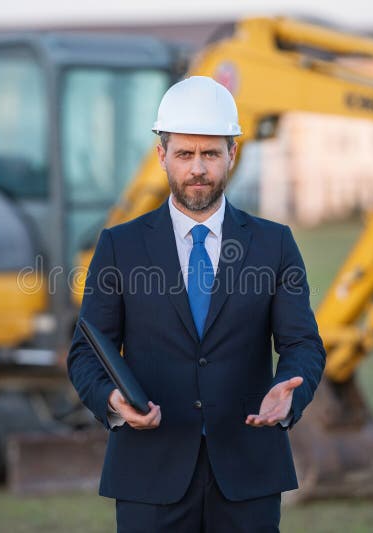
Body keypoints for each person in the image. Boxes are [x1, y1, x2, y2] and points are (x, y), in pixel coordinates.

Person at [66, 75, 326, 532]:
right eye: (185, 154)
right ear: (162, 155)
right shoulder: (119, 246)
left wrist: (290, 394)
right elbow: (87, 352)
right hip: (149, 477)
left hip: (248, 474)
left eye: (210, 153)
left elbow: (303, 344)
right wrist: (110, 400)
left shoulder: (275, 244)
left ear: (233, 154)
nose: (198, 169)